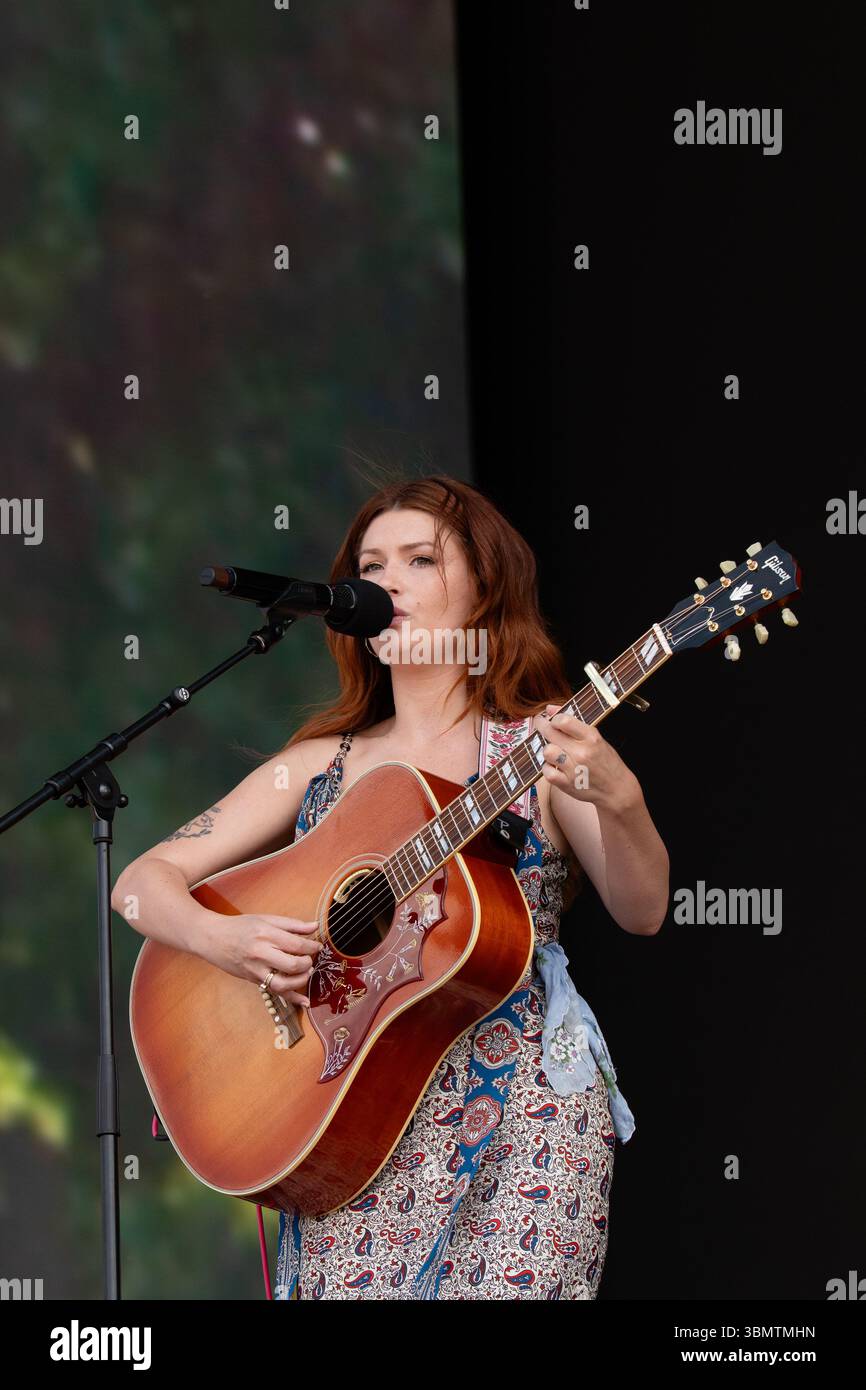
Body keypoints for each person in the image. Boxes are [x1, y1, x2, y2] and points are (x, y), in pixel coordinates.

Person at [113, 473, 669, 1300]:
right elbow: (139, 884)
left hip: (525, 1117)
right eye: (371, 566)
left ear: (485, 590)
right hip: (348, 1125)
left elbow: (644, 909)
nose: (387, 583)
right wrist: (228, 941)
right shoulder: (317, 766)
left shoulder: (544, 748)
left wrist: (618, 796)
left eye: (419, 560)